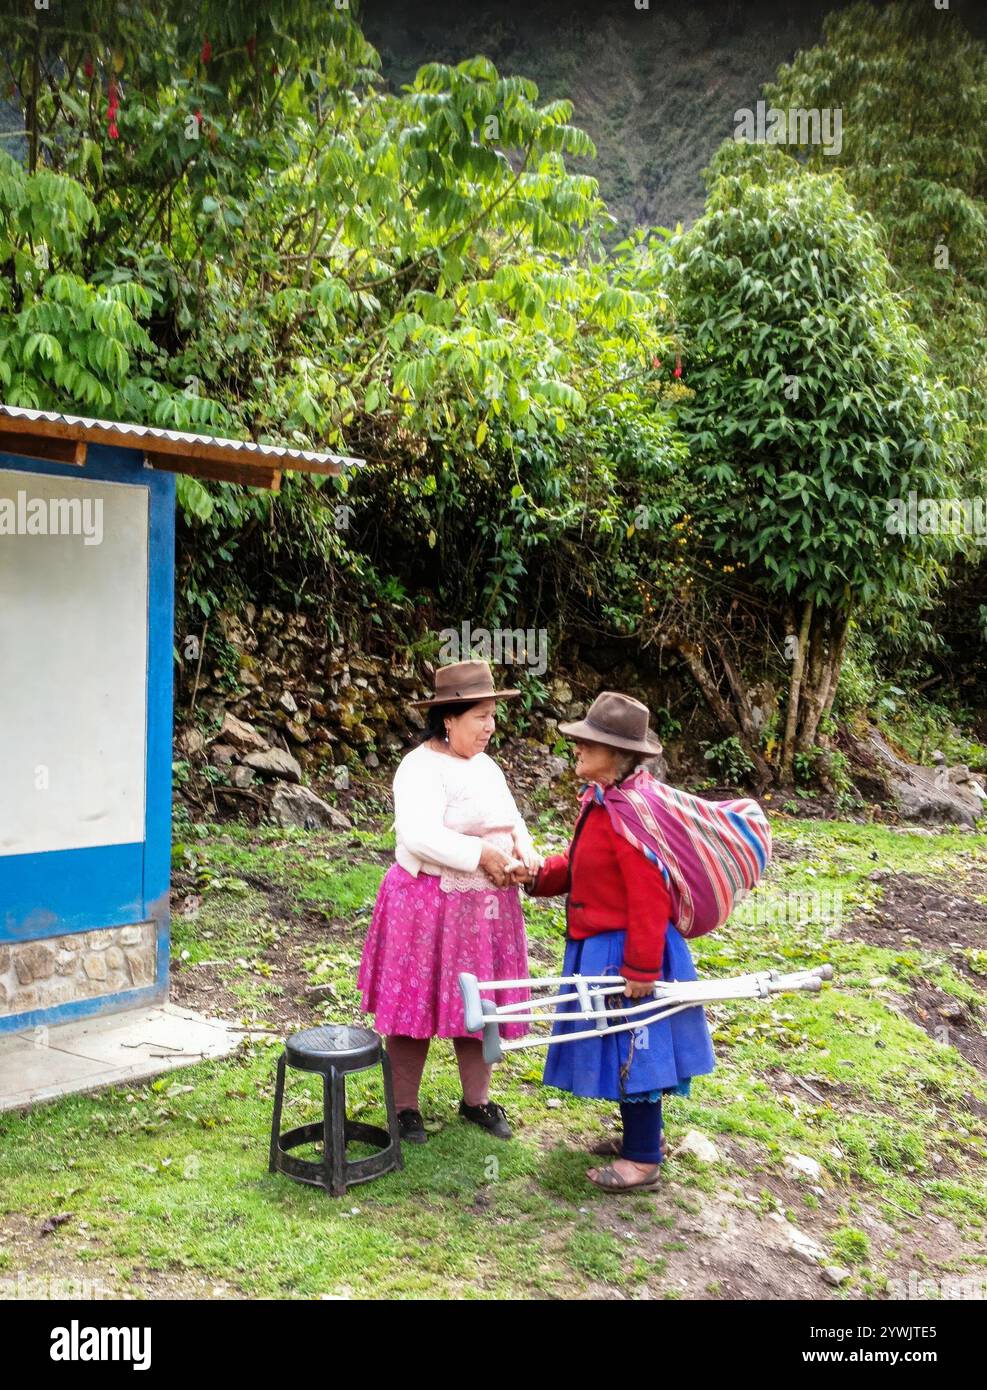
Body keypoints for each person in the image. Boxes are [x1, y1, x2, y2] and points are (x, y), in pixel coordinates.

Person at [527, 691, 715, 1192]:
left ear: (619, 754)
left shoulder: (629, 814)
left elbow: (649, 897)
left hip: (629, 951)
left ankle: (643, 1159)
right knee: (620, 1044)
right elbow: (582, 868)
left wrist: (640, 969)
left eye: (590, 742)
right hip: (604, 946)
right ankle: (636, 1138)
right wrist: (536, 875)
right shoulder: (603, 803)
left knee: (639, 1044)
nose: (578, 748)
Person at [358, 659, 542, 1143]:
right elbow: (418, 836)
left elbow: (512, 819)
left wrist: (526, 851)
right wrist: (481, 853)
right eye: (480, 716)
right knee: (412, 1004)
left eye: (492, 715)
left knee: (477, 1000)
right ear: (448, 718)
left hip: (486, 909)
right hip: (427, 901)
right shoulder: (418, 768)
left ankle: (476, 1101)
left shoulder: (487, 767)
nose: (490, 727)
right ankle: (403, 1110)